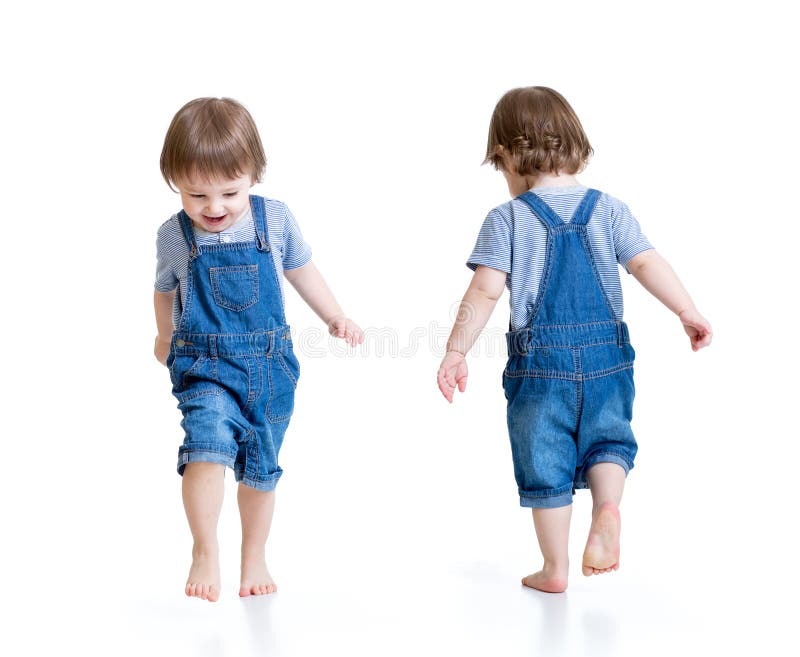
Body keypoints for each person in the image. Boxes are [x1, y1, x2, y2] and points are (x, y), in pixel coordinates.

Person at [437, 86, 712, 593]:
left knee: (545, 460)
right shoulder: (609, 208)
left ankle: (555, 568)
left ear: (505, 157)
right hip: (608, 357)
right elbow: (646, 261)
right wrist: (686, 309)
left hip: (541, 366)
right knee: (608, 439)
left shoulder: (508, 218)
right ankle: (607, 508)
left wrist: (456, 350)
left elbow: (486, 288)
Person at [154, 97, 363, 602]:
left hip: (270, 368)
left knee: (261, 470)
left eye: (230, 191)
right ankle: (205, 548)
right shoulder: (174, 235)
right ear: (174, 183)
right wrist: (165, 337)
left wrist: (334, 315)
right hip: (203, 365)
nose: (213, 208)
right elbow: (164, 290)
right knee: (205, 449)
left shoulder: (276, 220)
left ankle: (255, 556)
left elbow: (301, 270)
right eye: (195, 194)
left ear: (254, 175)